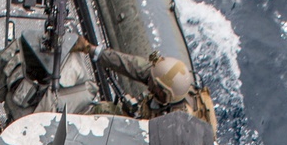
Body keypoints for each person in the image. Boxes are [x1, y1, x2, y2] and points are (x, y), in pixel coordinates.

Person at [73, 36, 216, 127]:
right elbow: (129, 64)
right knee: (102, 109)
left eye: (155, 85)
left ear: (165, 93)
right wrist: (90, 49)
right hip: (146, 117)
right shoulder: (163, 78)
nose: (151, 84)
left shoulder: (177, 122)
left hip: (157, 139)